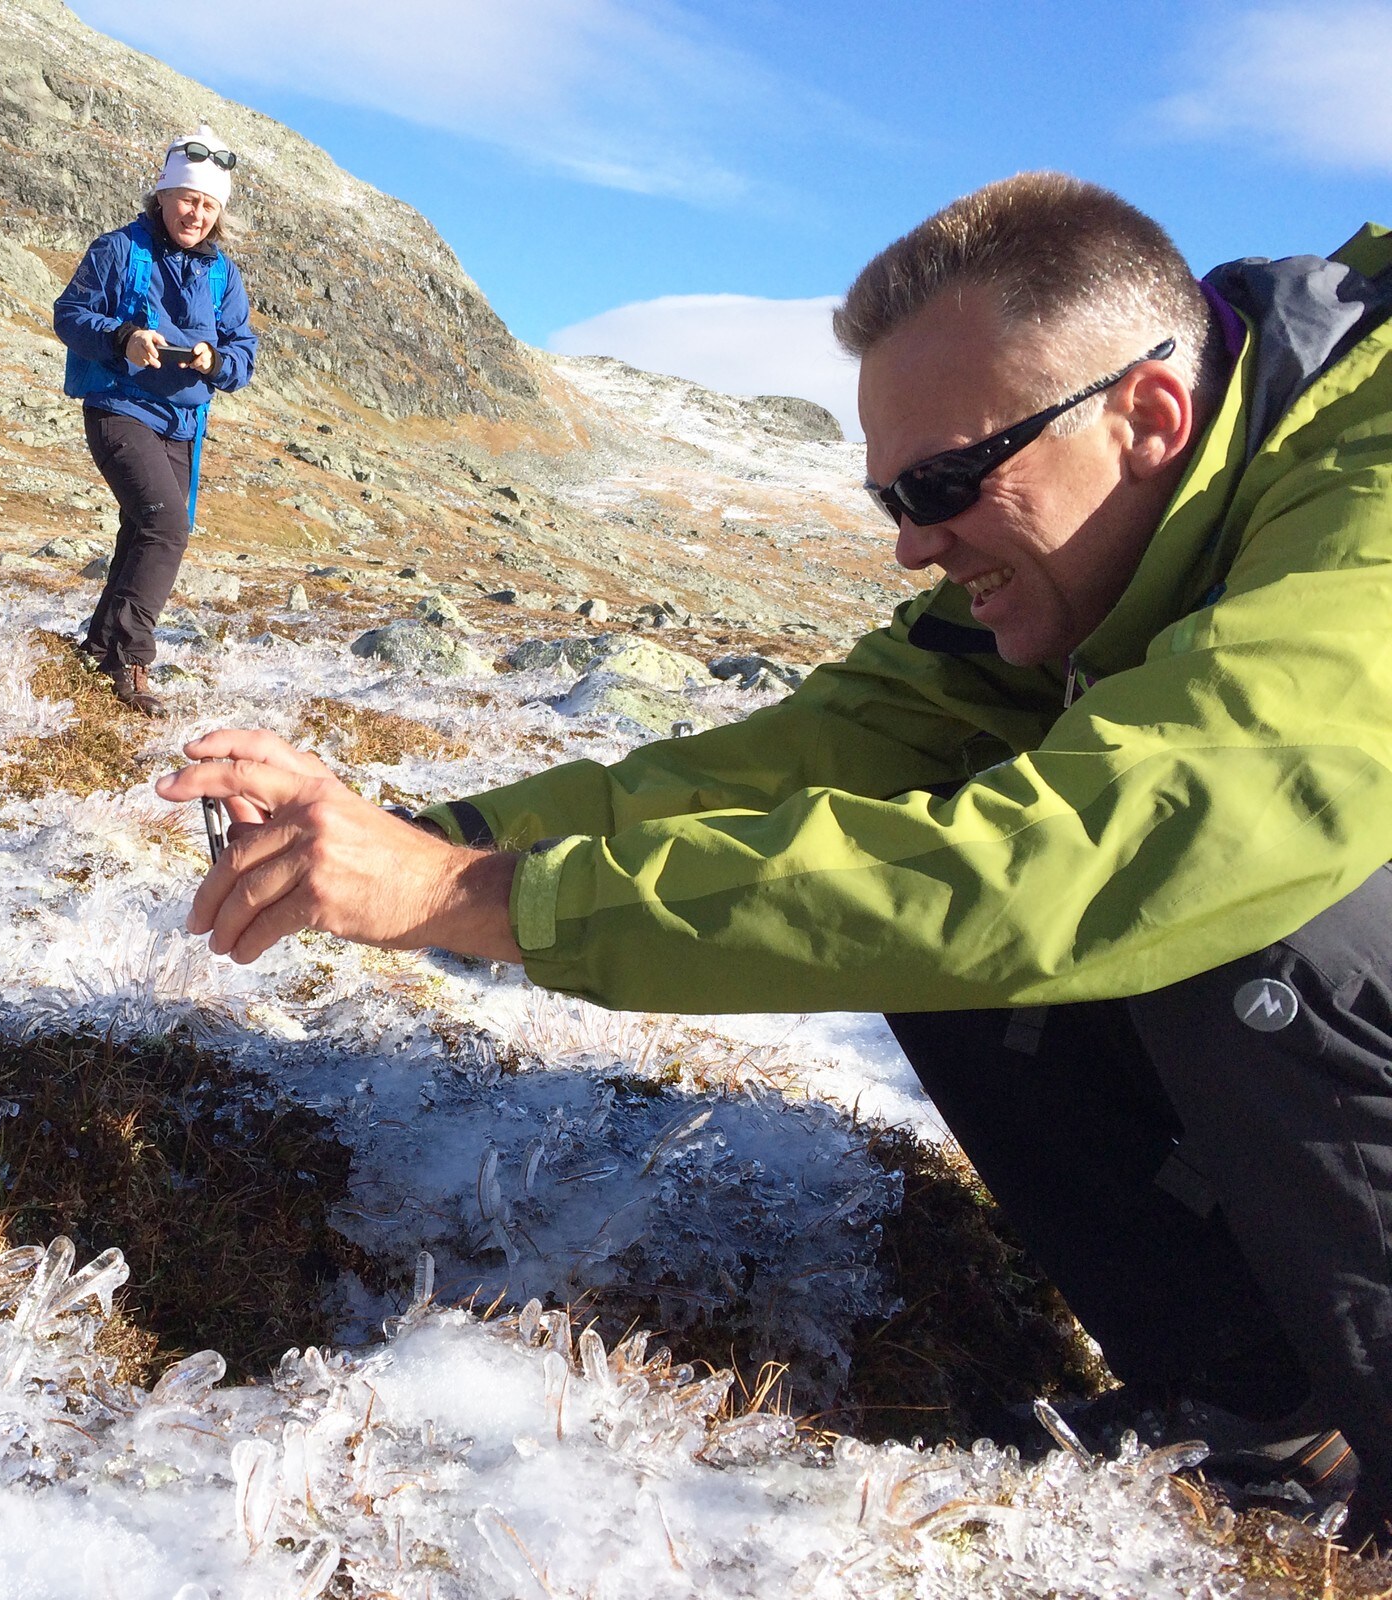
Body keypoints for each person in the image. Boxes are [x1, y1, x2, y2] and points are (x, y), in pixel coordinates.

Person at [158, 174, 1392, 1540]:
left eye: (945, 484)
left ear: (1147, 418)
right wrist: (424, 844)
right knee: (893, 867)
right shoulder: (1115, 530)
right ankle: (1261, 1411)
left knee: (1262, 922)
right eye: (890, 499)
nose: (915, 545)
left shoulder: (1369, 487)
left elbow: (1114, 844)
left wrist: (467, 901)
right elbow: (795, 768)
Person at [54, 125, 258, 715]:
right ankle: (131, 661)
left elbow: (243, 353)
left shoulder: (223, 274)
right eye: (187, 199)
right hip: (119, 406)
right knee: (165, 527)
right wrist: (124, 337)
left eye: (208, 205)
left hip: (183, 422)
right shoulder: (118, 249)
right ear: (163, 195)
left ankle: (99, 649)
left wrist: (215, 361)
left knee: (143, 530)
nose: (196, 214)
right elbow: (70, 314)